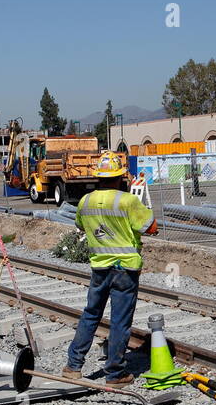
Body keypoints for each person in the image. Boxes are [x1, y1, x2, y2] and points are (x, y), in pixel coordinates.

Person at [63, 152, 158, 385]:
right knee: (119, 321)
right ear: (119, 177)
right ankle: (115, 373)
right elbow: (151, 227)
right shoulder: (127, 201)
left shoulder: (86, 201)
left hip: (99, 269)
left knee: (91, 314)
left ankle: (73, 366)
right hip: (125, 269)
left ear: (98, 177)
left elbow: (80, 225)